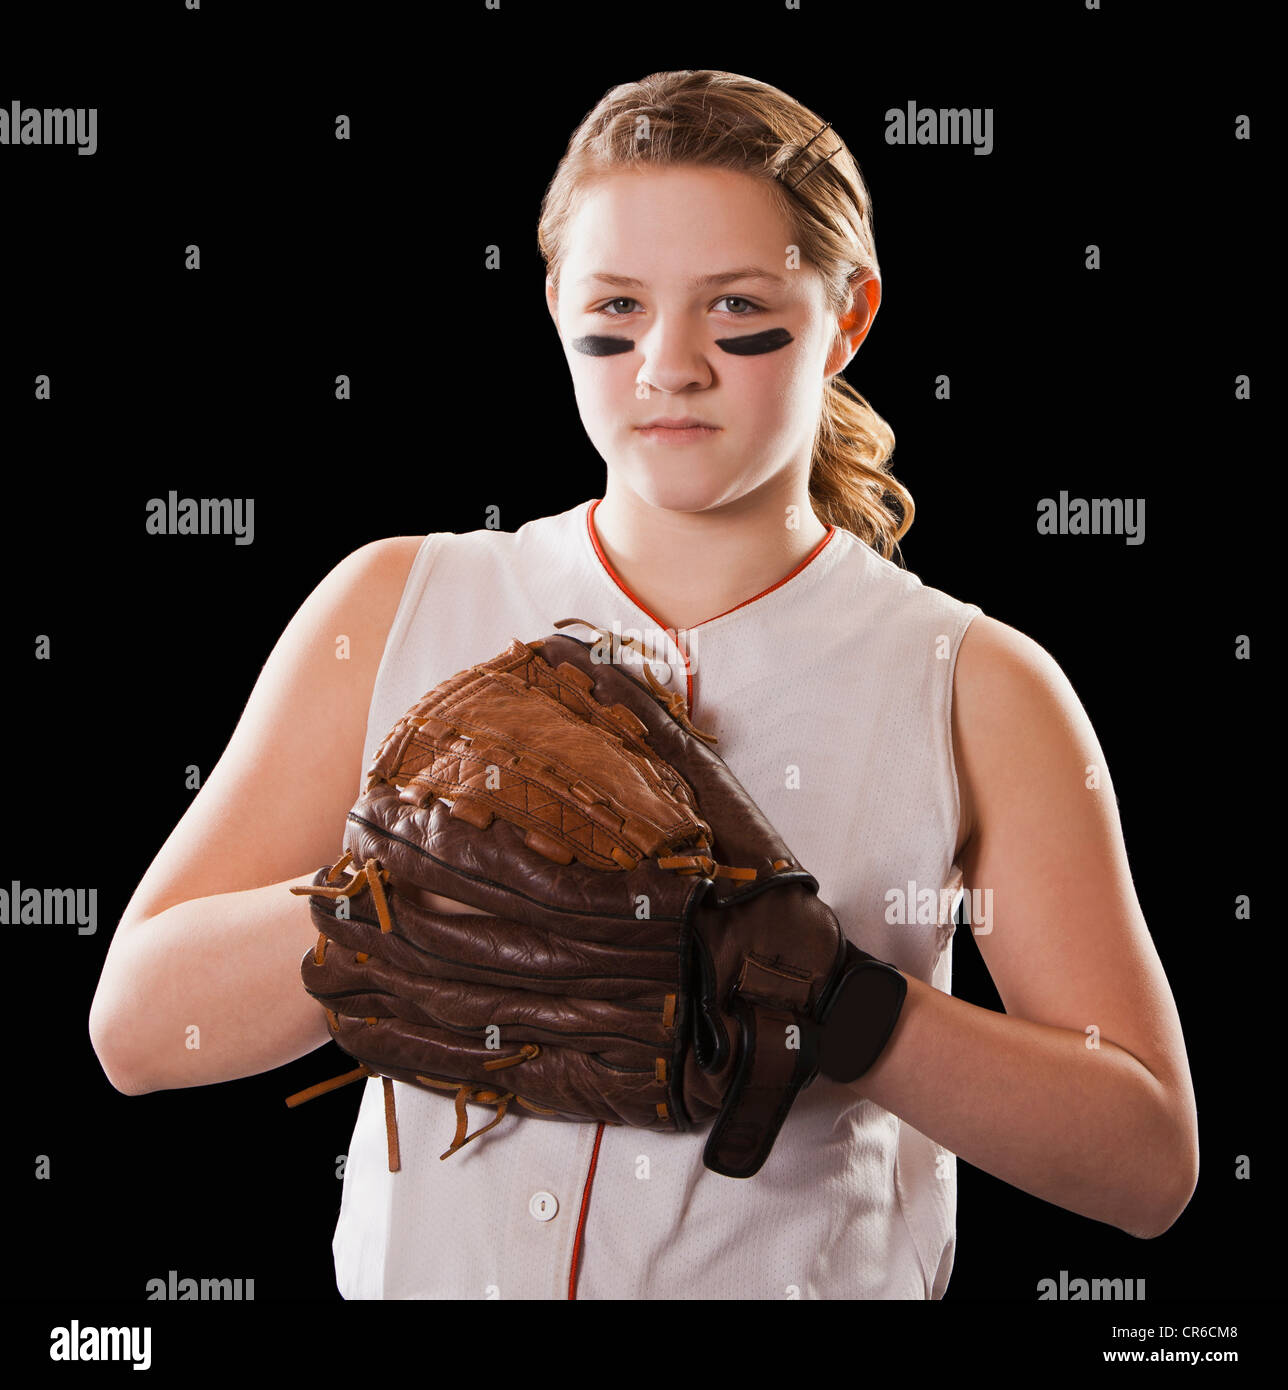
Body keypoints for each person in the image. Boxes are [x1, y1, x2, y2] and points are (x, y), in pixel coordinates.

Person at [88, 69, 1198, 1300]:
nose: (669, 366)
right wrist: (402, 898)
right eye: (618, 305)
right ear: (558, 303)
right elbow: (136, 1031)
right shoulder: (396, 599)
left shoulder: (973, 679)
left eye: (737, 307)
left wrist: (841, 1006)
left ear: (847, 317)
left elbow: (1144, 1164)